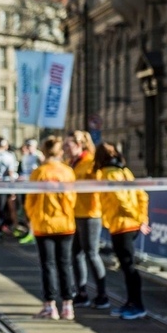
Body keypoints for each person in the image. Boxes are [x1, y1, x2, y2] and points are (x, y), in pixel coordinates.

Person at [94, 142, 151, 320]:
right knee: (126, 266)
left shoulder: (109, 174)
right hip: (127, 224)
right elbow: (143, 195)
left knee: (128, 266)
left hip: (122, 224)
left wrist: (139, 218)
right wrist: (142, 218)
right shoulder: (124, 170)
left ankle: (138, 305)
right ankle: (131, 302)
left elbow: (120, 200)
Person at [25, 136, 77, 321]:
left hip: (44, 224)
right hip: (65, 224)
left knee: (48, 265)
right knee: (65, 264)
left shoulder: (39, 172)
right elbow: (72, 200)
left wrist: (32, 218)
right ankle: (68, 306)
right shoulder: (68, 172)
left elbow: (30, 201)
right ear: (60, 151)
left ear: (44, 151)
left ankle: (50, 306)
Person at [65, 131, 109, 310]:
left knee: (91, 253)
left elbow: (100, 184)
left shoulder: (90, 162)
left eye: (69, 144)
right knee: (76, 254)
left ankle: (102, 294)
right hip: (74, 213)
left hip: (90, 214)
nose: (66, 148)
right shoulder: (71, 163)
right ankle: (82, 293)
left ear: (80, 145)